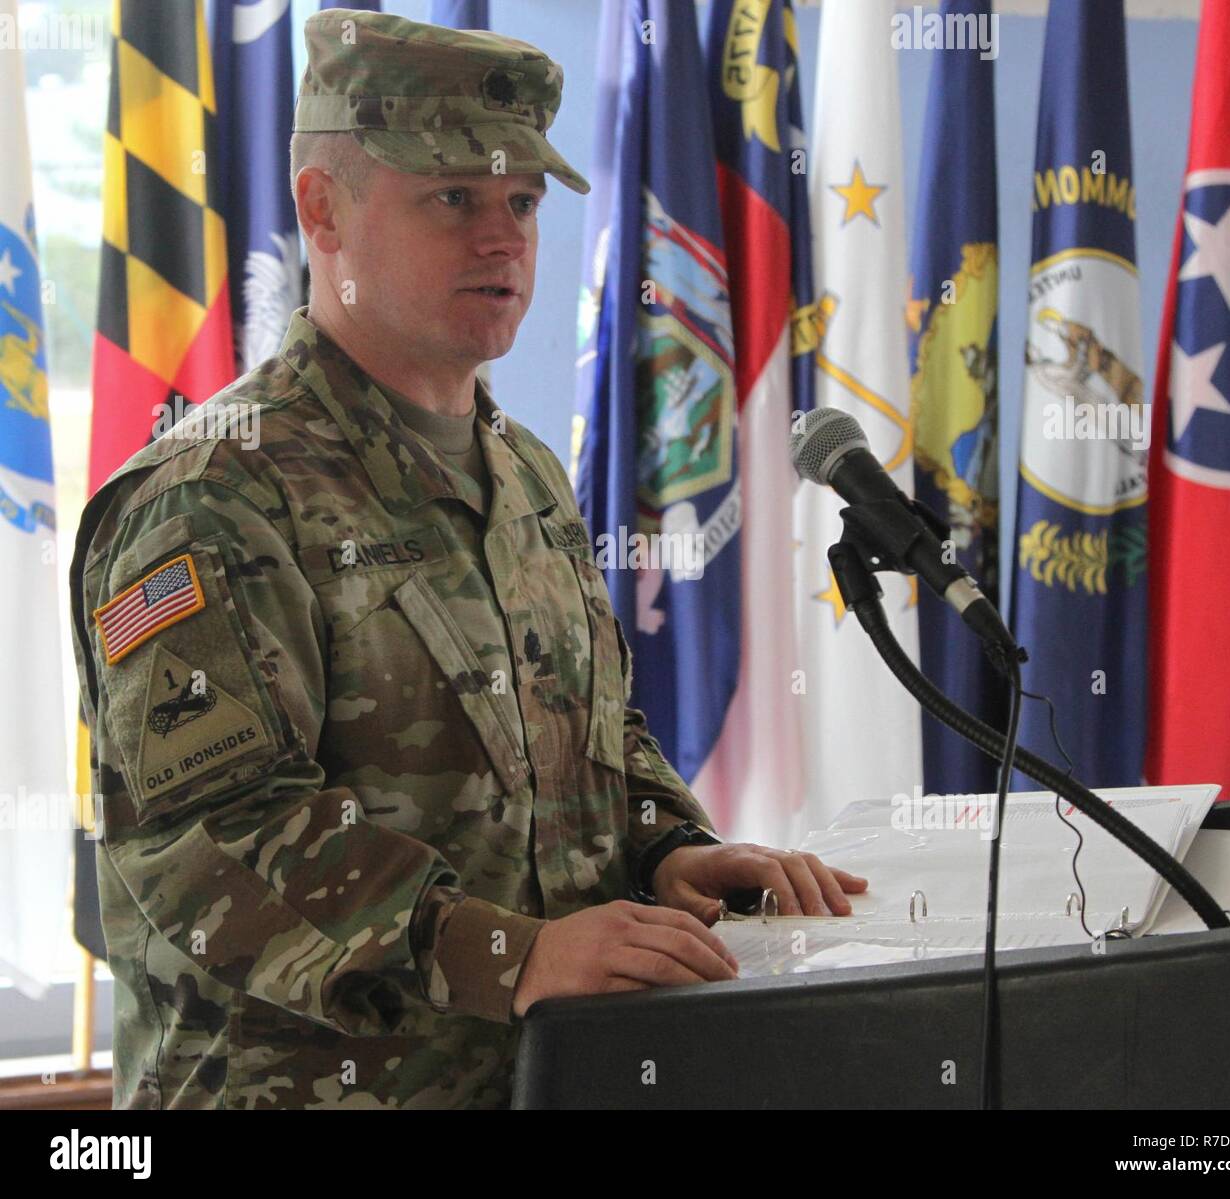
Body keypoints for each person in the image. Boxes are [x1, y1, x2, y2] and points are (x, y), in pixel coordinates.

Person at [68, 9, 865, 1110]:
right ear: (323, 209)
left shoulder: (525, 471)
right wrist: (515, 956)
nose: (504, 238)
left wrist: (669, 848)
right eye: (453, 197)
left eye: (524, 203)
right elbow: (213, 841)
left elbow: (589, 735)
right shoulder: (214, 493)